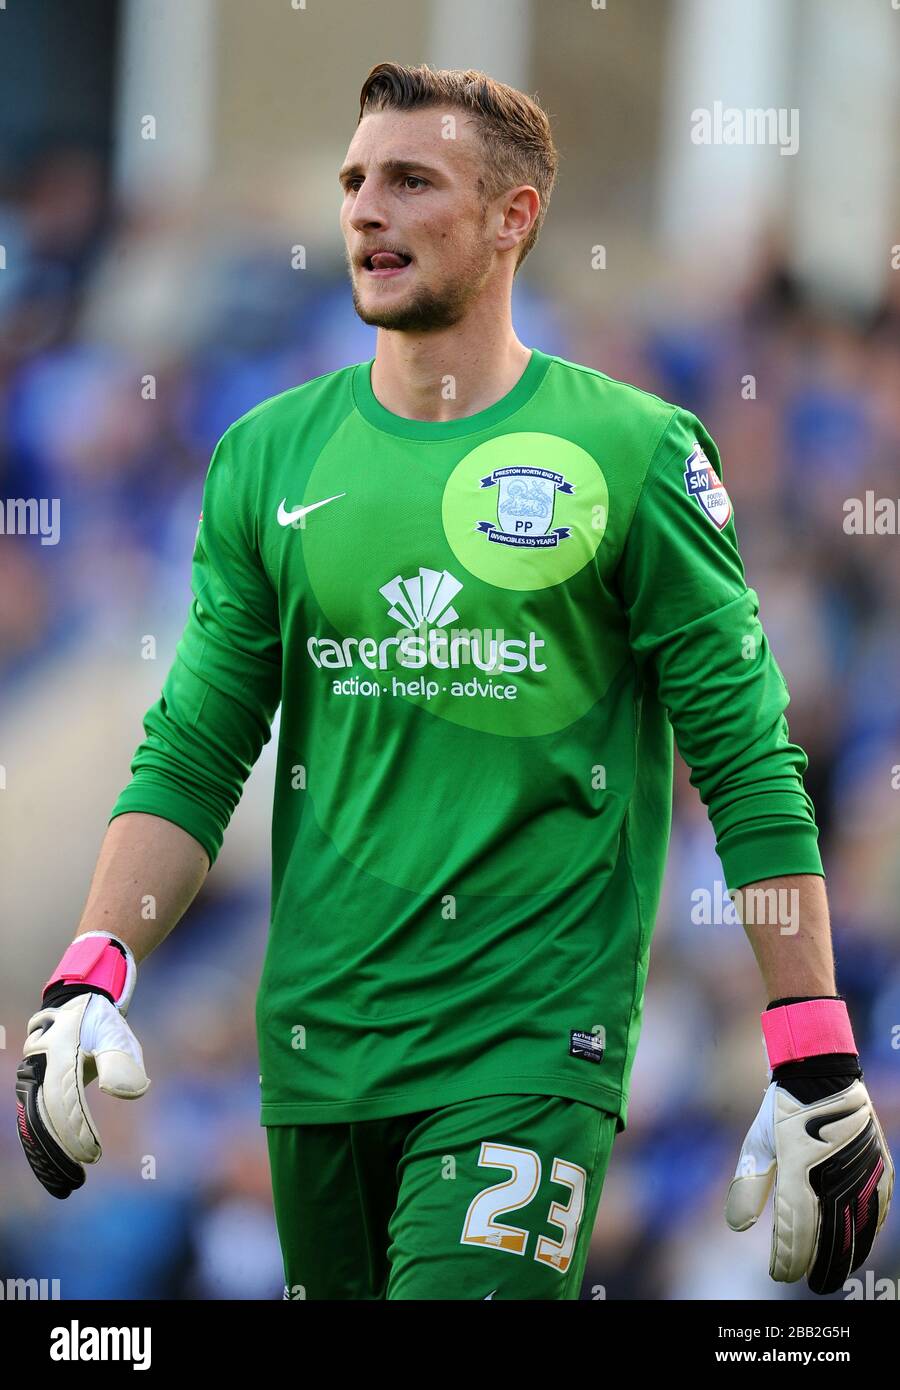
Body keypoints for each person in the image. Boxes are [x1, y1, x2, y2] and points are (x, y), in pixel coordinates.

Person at [16, 61, 893, 1301]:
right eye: (355, 182)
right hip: (317, 1052)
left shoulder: (635, 453)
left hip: (525, 1051)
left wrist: (813, 1046)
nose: (367, 209)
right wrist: (89, 968)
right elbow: (198, 747)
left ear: (512, 218)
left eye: (411, 180)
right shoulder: (267, 454)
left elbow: (750, 762)